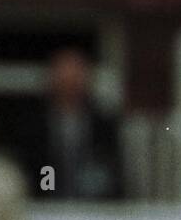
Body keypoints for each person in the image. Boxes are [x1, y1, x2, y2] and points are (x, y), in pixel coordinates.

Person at [20, 48, 124, 201]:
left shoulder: (104, 126)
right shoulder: (34, 126)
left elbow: (114, 174)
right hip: (45, 207)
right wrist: (47, 190)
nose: (70, 84)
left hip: (95, 210)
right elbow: (35, 171)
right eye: (64, 77)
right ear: (52, 79)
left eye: (75, 76)